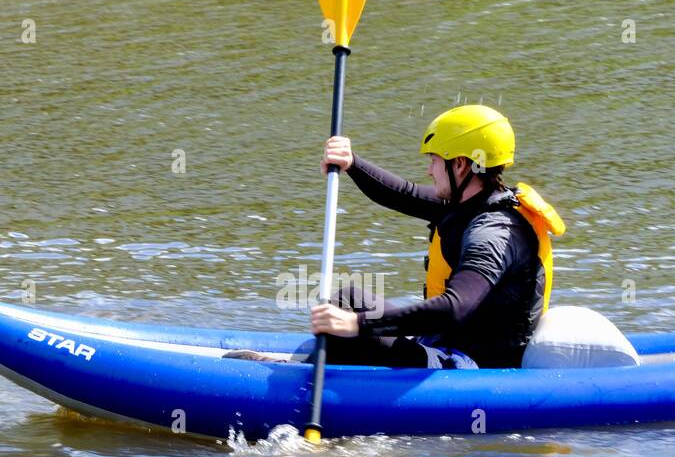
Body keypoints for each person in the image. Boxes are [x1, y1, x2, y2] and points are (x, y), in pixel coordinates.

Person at [229, 104, 565, 368]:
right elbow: (403, 193)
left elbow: (455, 308)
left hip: (470, 367)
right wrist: (351, 163)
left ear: (460, 165)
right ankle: (310, 364)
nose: (429, 169)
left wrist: (357, 325)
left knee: (352, 321)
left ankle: (297, 374)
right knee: (349, 298)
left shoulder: (493, 234)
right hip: (441, 344)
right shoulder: (468, 204)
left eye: (434, 160)